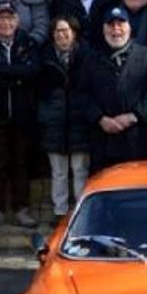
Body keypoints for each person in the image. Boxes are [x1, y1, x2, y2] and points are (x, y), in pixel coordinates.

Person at [0, 2, 40, 229]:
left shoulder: (28, 43)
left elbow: (33, 71)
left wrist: (1, 70)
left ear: (17, 21)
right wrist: (16, 74)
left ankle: (22, 208)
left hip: (22, 114)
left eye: (10, 18)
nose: (6, 23)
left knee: (21, 163)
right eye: (1, 18)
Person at [80, 7, 147, 173]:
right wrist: (101, 119)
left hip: (135, 139)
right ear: (103, 29)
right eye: (111, 25)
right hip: (102, 140)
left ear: (129, 27)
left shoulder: (145, 55)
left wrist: (134, 116)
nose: (116, 29)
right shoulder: (91, 58)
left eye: (121, 24)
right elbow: (82, 94)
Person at [36, 16, 91, 222]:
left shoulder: (86, 56)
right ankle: (59, 212)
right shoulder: (45, 58)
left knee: (80, 170)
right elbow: (40, 92)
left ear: (74, 33)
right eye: (58, 31)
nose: (62, 35)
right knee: (58, 171)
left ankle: (80, 213)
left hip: (79, 122)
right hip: (54, 122)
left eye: (66, 31)